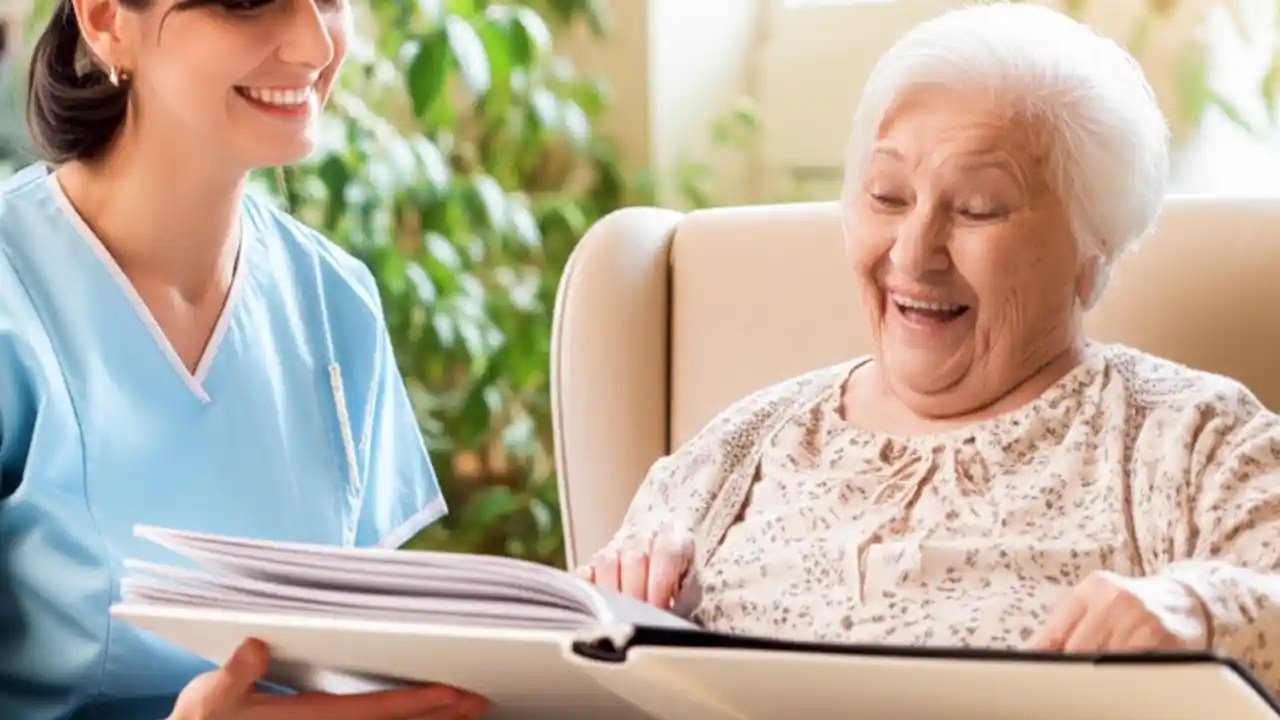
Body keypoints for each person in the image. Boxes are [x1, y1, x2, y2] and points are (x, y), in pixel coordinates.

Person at [576, 2, 1280, 699]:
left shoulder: (1185, 441)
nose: (913, 254)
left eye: (977, 208)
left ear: (1093, 250)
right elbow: (585, 677)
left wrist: (1204, 614)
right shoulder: (737, 452)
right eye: (886, 196)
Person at [0, 0, 488, 717]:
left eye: (330, 0)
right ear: (106, 19)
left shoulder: (335, 300)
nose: (315, 45)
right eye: (247, 4)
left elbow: (366, 668)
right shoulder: (15, 292)